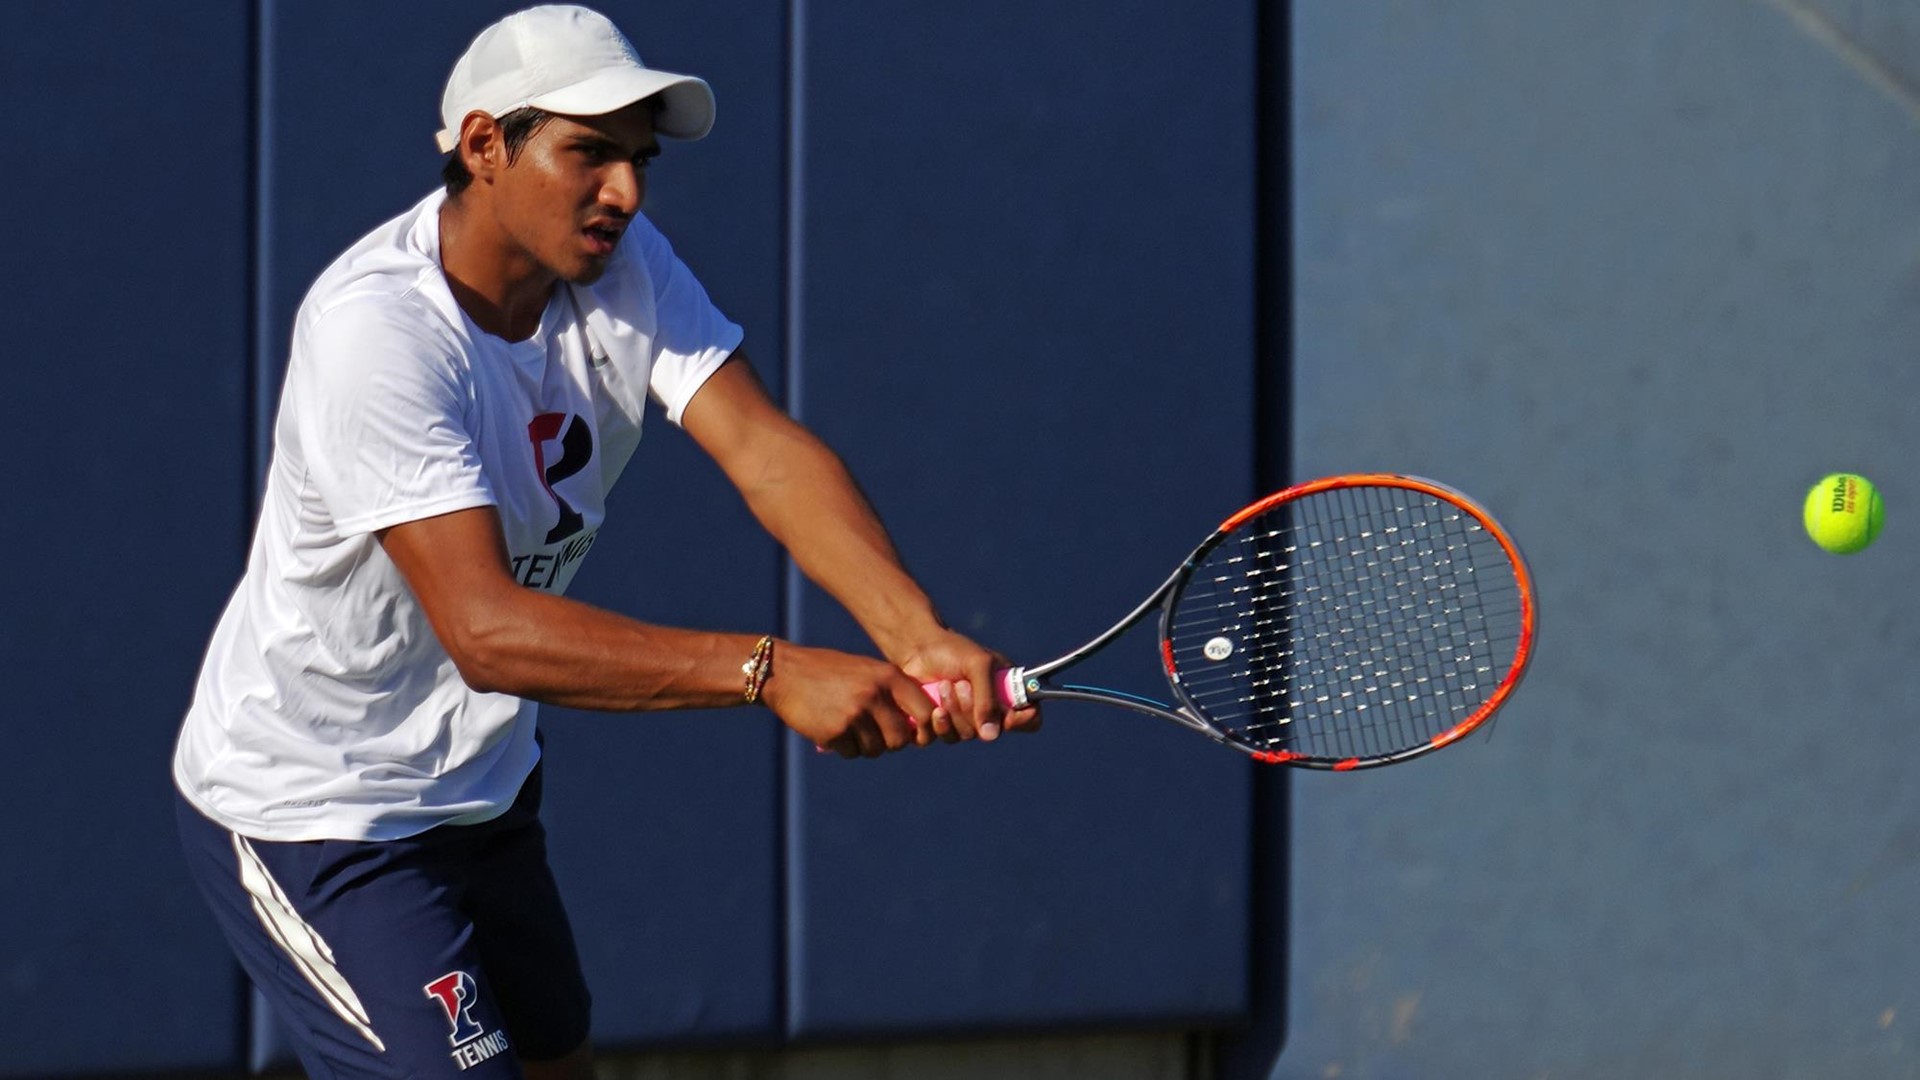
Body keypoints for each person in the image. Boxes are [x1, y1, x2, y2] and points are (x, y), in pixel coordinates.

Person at [171, 6, 1037, 1077]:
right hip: (319, 813)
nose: (625, 192)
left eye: (636, 160)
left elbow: (765, 453)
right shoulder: (375, 334)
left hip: (482, 789)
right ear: (484, 146)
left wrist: (917, 636)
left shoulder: (625, 269)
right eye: (588, 152)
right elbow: (486, 630)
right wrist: (769, 672)